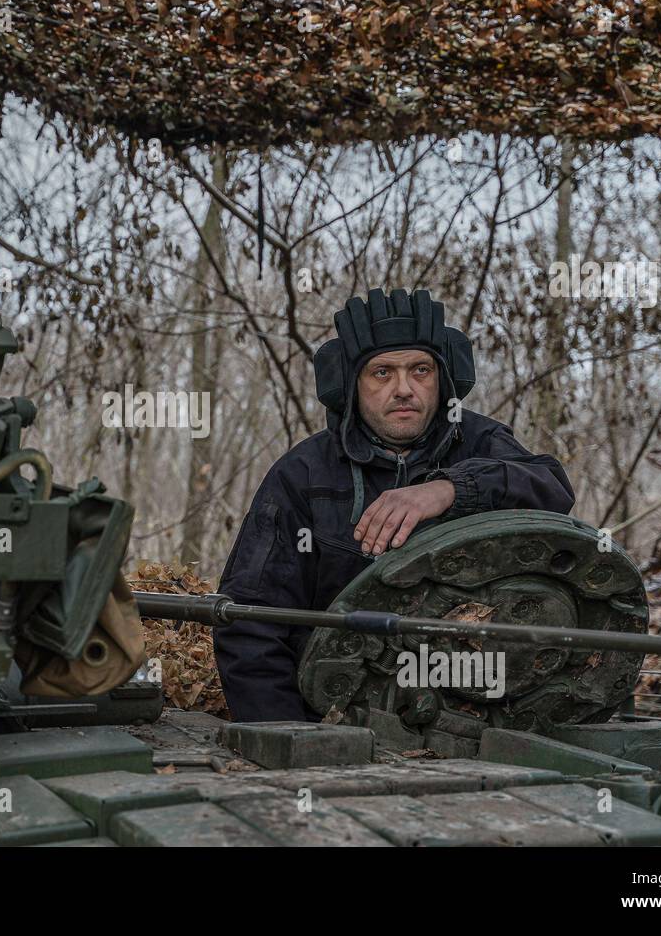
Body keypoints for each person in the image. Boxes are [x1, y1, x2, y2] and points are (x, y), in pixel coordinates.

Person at [214, 288, 575, 722]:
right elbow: (250, 621)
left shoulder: (479, 442)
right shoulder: (304, 475)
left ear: (443, 379)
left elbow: (553, 488)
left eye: (420, 370)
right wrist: (288, 737)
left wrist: (449, 490)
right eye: (381, 373)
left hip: (483, 714)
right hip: (340, 717)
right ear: (351, 384)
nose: (404, 389)